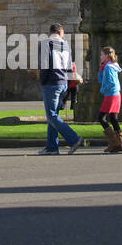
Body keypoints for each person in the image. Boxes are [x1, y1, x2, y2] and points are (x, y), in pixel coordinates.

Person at [38, 24, 83, 154]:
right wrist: (68, 84)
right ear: (60, 32)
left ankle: (74, 139)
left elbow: (44, 65)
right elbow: (70, 66)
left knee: (51, 115)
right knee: (54, 116)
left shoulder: (46, 43)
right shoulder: (66, 45)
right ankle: (52, 147)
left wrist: (42, 80)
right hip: (63, 82)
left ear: (50, 32)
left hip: (51, 82)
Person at [97, 46, 122, 153]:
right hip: (116, 95)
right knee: (113, 118)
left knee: (101, 118)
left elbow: (112, 83)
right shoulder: (110, 66)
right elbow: (100, 80)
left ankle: (114, 143)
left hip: (111, 95)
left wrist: (103, 90)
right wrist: (100, 70)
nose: (100, 57)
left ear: (107, 55)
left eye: (101, 55)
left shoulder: (109, 67)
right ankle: (121, 144)